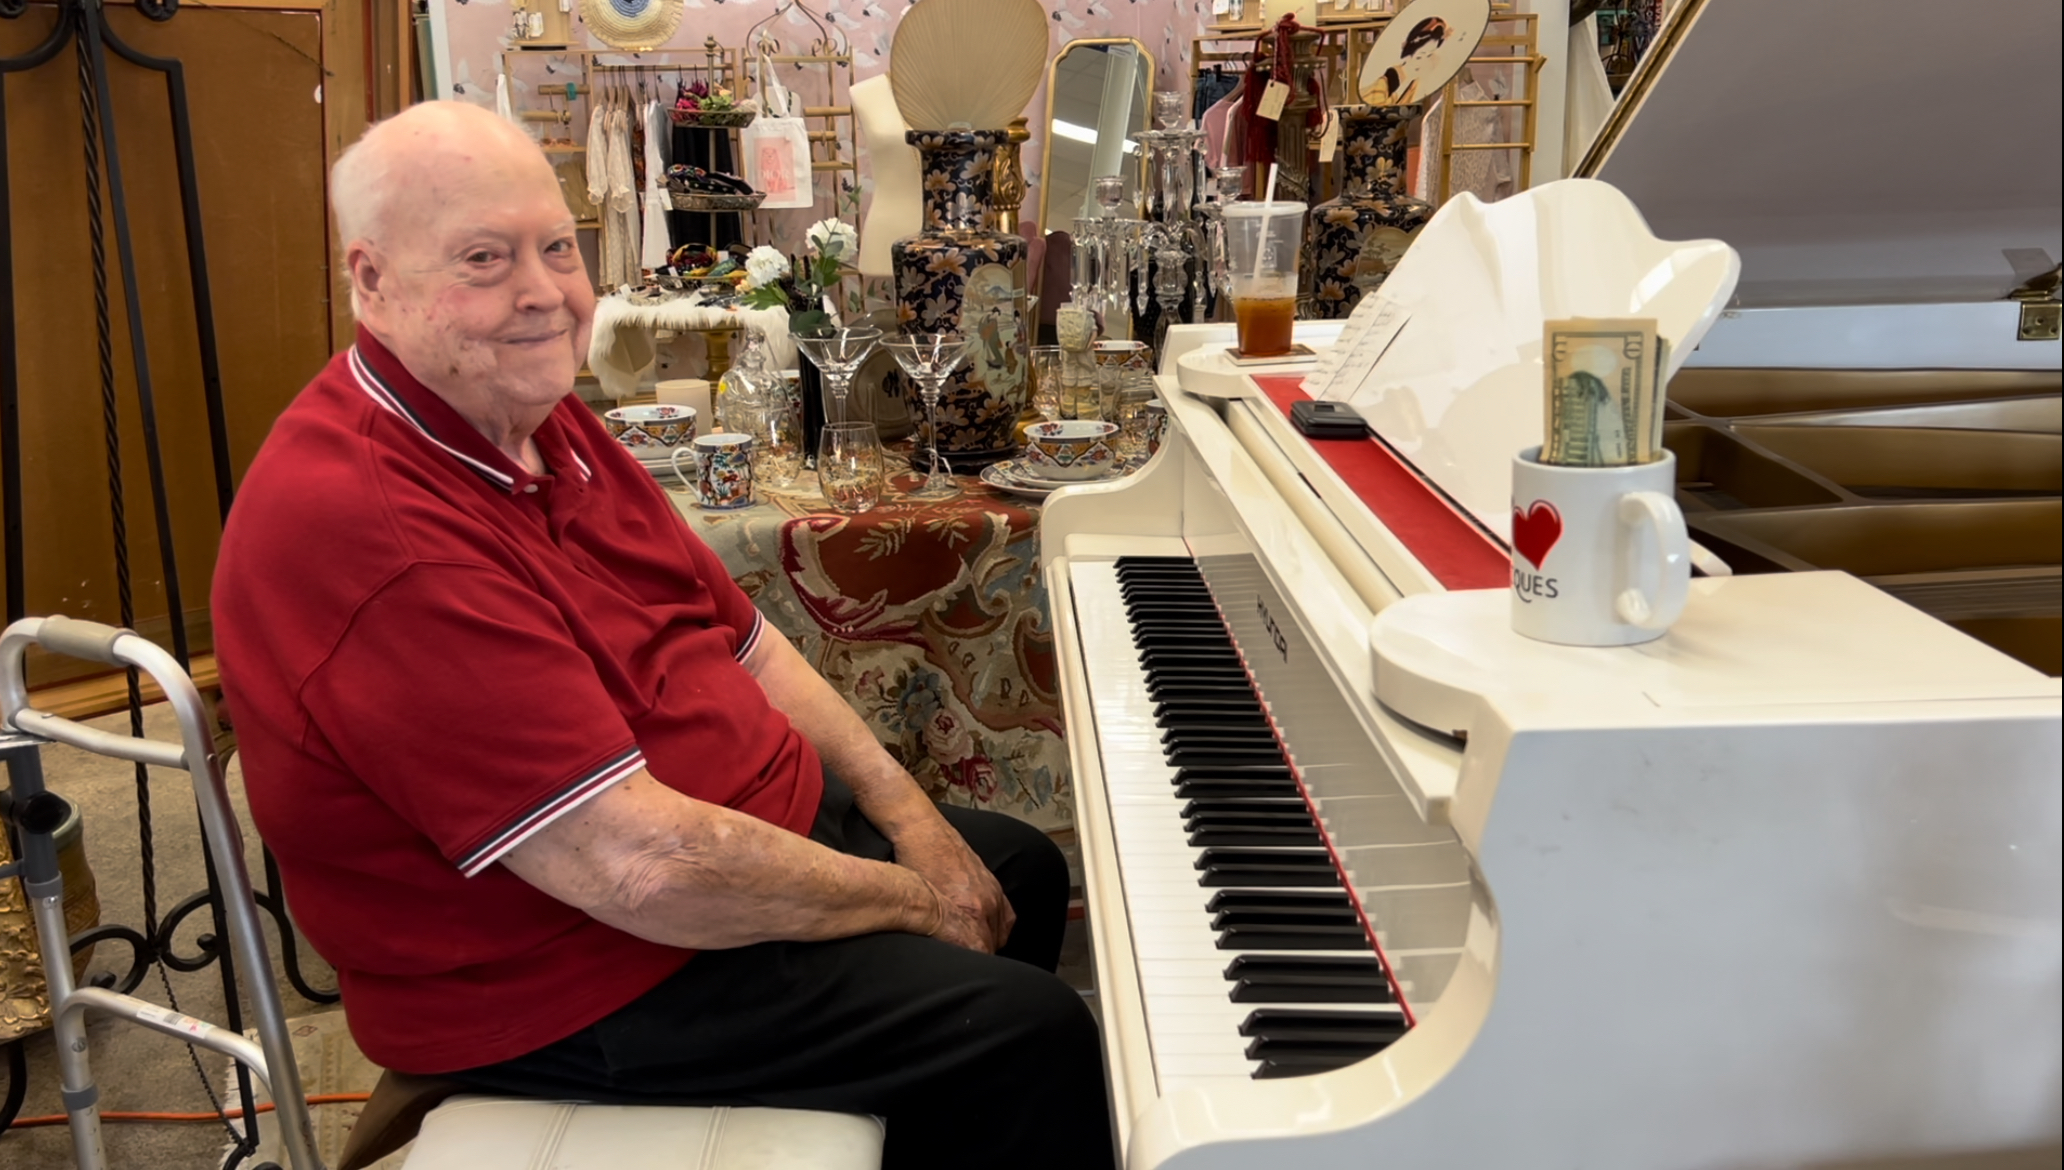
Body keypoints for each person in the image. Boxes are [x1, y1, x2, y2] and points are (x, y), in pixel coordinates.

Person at [211, 101, 1114, 1170]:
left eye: (556, 249)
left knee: (1014, 868)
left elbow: (749, 646)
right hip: (576, 971)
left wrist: (913, 825)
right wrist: (914, 902)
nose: (543, 294)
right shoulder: (370, 529)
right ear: (373, 282)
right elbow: (642, 867)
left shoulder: (542, 420)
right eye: (484, 260)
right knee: (1028, 1033)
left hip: (712, 859)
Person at [1372, 16, 1451, 105]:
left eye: (1429, 55)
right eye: (1419, 57)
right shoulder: (1386, 81)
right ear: (1409, 54)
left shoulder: (1416, 80)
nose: (1422, 63)